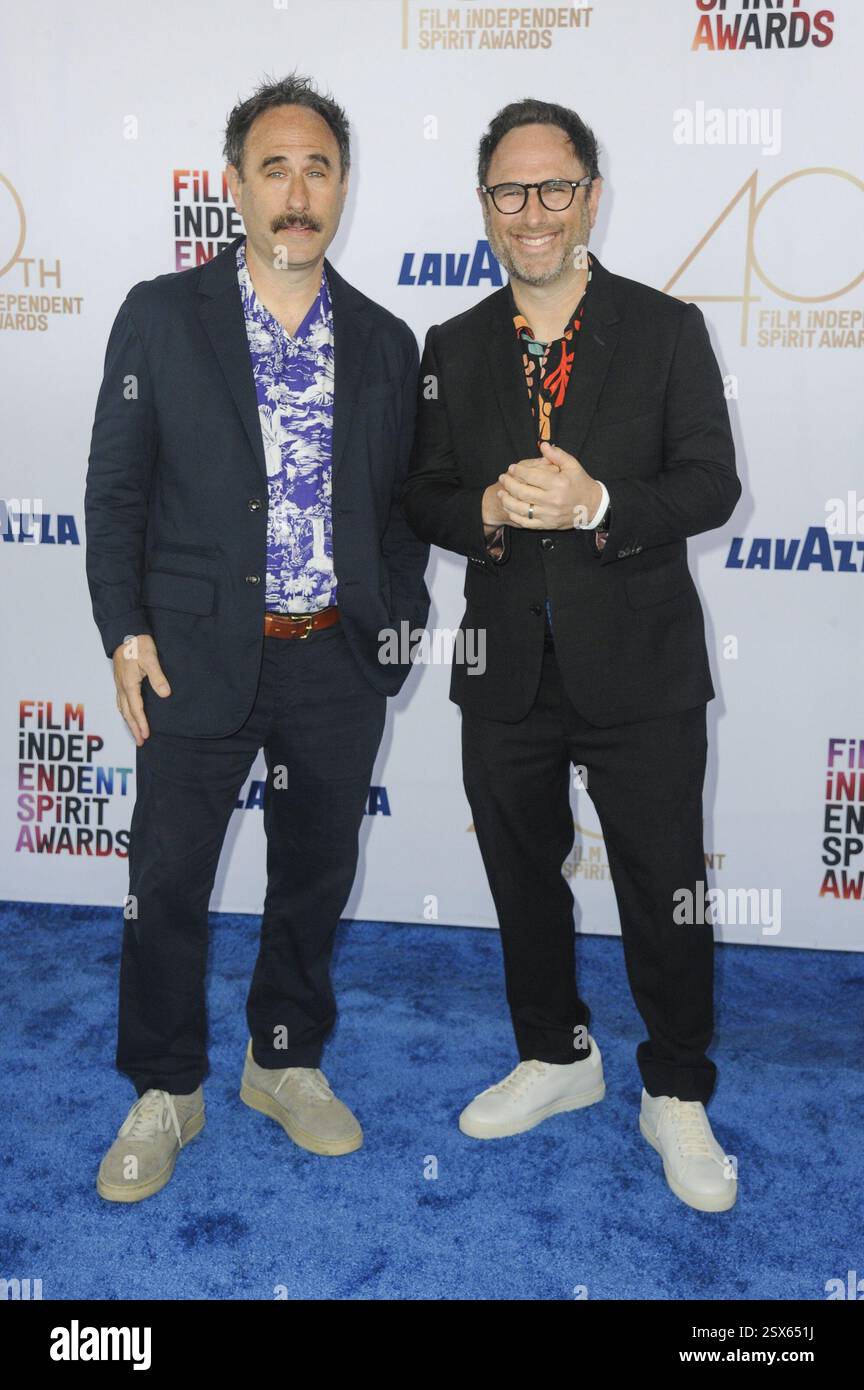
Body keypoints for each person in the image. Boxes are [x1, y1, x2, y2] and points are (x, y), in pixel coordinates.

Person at [85, 73, 429, 1202]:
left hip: (335, 655)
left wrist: (398, 625)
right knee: (168, 877)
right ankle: (165, 1087)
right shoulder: (159, 315)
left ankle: (282, 1060)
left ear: (342, 187)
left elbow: (402, 511)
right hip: (192, 648)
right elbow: (117, 494)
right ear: (234, 185)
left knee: (314, 876)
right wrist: (124, 629)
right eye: (274, 166)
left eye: (318, 167)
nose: (296, 190)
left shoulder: (385, 339)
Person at [402, 99, 741, 1213]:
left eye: (554, 188)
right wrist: (487, 511)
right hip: (506, 666)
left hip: (640, 665)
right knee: (521, 879)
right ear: (486, 207)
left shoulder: (666, 327)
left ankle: (678, 1087)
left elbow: (710, 482)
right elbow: (424, 493)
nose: (532, 212)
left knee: (665, 885)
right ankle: (557, 1054)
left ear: (590, 194)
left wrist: (598, 498)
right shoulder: (450, 347)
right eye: (510, 191)